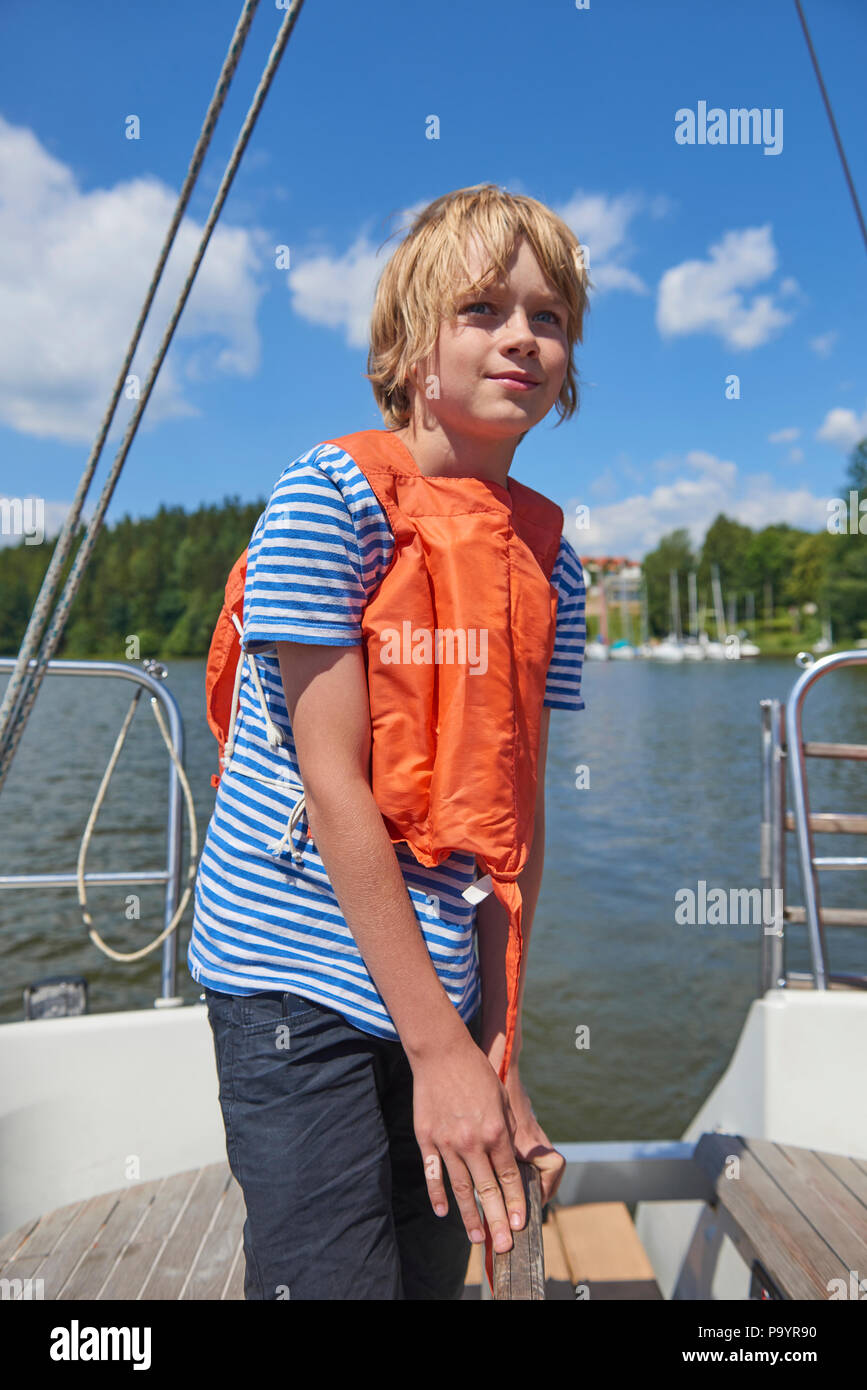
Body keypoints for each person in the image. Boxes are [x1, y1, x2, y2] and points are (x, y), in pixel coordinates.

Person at [187, 183, 589, 1299]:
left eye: (548, 317)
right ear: (416, 347)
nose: (522, 336)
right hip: (294, 982)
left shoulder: (551, 566)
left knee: (427, 1270)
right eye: (482, 310)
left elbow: (521, 818)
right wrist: (436, 1050)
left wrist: (494, 1046)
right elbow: (331, 782)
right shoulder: (331, 498)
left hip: (445, 986)